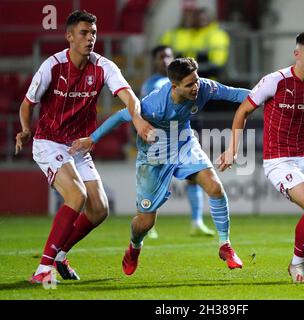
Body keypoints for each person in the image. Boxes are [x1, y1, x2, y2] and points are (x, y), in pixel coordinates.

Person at [69, 57, 250, 273]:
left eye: (197, 80)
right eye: (190, 84)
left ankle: (225, 246)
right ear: (174, 86)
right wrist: (93, 138)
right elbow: (120, 116)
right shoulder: (154, 105)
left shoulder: (205, 88)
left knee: (215, 188)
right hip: (153, 156)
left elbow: (238, 94)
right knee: (145, 223)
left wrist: (268, 98)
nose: (196, 87)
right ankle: (134, 246)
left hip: (183, 144)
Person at [14, 10, 152, 284]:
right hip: (48, 141)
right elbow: (28, 104)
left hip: (77, 147)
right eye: (84, 33)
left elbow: (129, 98)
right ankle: (43, 268)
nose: (90, 38)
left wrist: (136, 118)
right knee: (76, 196)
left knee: (99, 209)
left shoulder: (103, 67)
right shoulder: (52, 66)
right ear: (69, 37)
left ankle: (61, 254)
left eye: (93, 33)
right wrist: (26, 128)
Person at [218, 31, 304, 283]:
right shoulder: (276, 81)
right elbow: (243, 111)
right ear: (297, 54)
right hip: (279, 160)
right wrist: (232, 149)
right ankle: (297, 264)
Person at [141, 45, 215, 238]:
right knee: (154, 180)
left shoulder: (188, 79)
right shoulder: (152, 85)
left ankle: (197, 222)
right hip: (163, 135)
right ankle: (147, 223)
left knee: (194, 175)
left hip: (188, 127)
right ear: (154, 61)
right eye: (160, 57)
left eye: (168, 56)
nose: (165, 60)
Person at [192, 7, 230, 79]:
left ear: (210, 19)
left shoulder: (217, 34)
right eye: (197, 19)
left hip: (210, 75)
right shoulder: (194, 34)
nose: (200, 22)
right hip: (195, 73)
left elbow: (217, 61)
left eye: (203, 19)